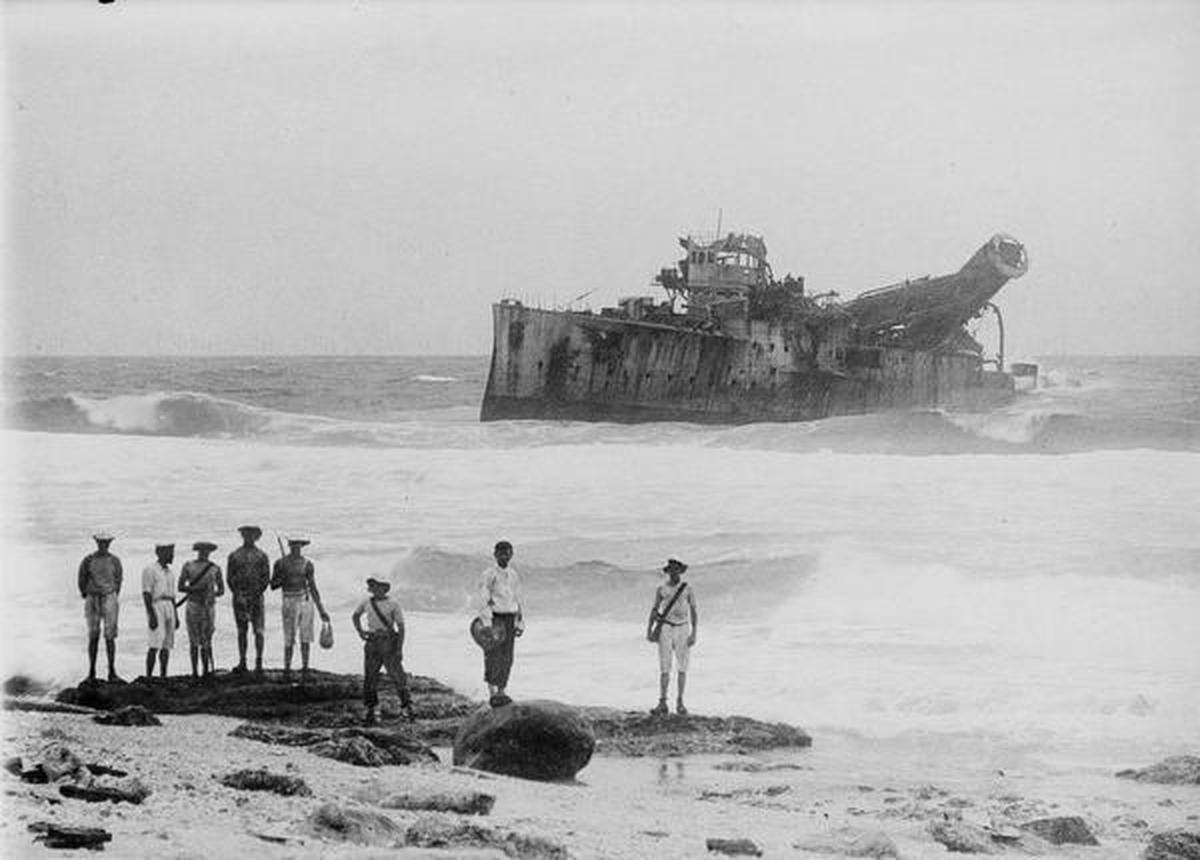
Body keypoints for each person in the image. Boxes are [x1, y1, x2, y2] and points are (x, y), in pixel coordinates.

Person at [351, 577, 415, 726]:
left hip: (388, 642)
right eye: (372, 586)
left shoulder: (393, 604)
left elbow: (401, 628)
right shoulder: (366, 602)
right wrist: (360, 631)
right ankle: (371, 711)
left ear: (384, 588)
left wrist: (399, 649)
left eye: (376, 585)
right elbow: (355, 616)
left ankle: (407, 709)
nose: (374, 589)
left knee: (397, 676)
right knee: (370, 677)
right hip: (372, 641)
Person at [270, 537, 329, 683]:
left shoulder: (307, 564)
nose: (296, 547)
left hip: (305, 601)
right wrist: (283, 578)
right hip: (288, 600)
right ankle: (287, 670)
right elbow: (273, 585)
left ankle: (305, 669)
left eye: (298, 544)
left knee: (305, 637)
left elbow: (313, 587)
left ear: (302, 546)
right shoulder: (280, 563)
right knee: (289, 638)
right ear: (289, 545)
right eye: (293, 544)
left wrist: (321, 609)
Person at [646, 558, 698, 716]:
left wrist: (694, 633)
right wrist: (649, 630)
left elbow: (694, 611)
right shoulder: (661, 589)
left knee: (682, 667)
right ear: (668, 571)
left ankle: (680, 702)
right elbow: (654, 610)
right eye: (671, 569)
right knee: (664, 667)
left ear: (681, 571)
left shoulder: (688, 588)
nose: (674, 572)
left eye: (676, 569)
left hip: (683, 627)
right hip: (666, 627)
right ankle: (662, 702)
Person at [475, 540, 523, 708]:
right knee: (493, 655)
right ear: (495, 554)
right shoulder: (489, 574)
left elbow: (516, 599)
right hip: (495, 618)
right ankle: (492, 692)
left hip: (510, 617)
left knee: (507, 657)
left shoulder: (514, 574)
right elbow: (483, 599)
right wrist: (487, 623)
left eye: (508, 553)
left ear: (512, 554)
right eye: (501, 553)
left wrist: (519, 621)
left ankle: (502, 690)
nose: (505, 556)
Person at [78, 531, 124, 683]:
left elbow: (119, 579)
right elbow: (81, 579)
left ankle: (112, 671)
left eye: (106, 543)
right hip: (93, 597)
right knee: (93, 635)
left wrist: (113, 595)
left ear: (109, 544)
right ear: (97, 543)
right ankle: (92, 672)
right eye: (101, 543)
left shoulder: (115, 560)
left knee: (110, 636)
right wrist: (86, 593)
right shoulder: (88, 560)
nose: (103, 545)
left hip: (109, 596)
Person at [227, 525, 270, 675]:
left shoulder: (262, 556)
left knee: (259, 631)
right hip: (240, 596)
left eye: (252, 534)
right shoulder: (234, 555)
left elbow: (266, 578)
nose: (249, 537)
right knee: (241, 631)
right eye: (246, 534)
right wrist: (238, 594)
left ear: (256, 537)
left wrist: (257, 593)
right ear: (242, 536)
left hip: (257, 596)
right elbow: (230, 578)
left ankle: (259, 662)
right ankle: (243, 661)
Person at [177, 541, 224, 678]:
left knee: (206, 640)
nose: (204, 553)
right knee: (193, 640)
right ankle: (194, 672)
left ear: (210, 552)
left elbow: (221, 590)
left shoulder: (215, 568)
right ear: (198, 551)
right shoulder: (188, 566)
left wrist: (211, 594)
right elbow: (180, 587)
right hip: (193, 605)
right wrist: (195, 589)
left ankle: (205, 670)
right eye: (202, 550)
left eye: (207, 551)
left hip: (209, 606)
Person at [141, 542, 178, 680]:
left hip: (169, 606)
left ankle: (163, 675)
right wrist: (151, 615)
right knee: (155, 642)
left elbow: (173, 596)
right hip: (157, 605)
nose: (172, 556)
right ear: (161, 553)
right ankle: (149, 676)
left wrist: (176, 615)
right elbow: (146, 593)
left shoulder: (170, 573)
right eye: (170, 553)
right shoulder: (150, 569)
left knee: (167, 644)